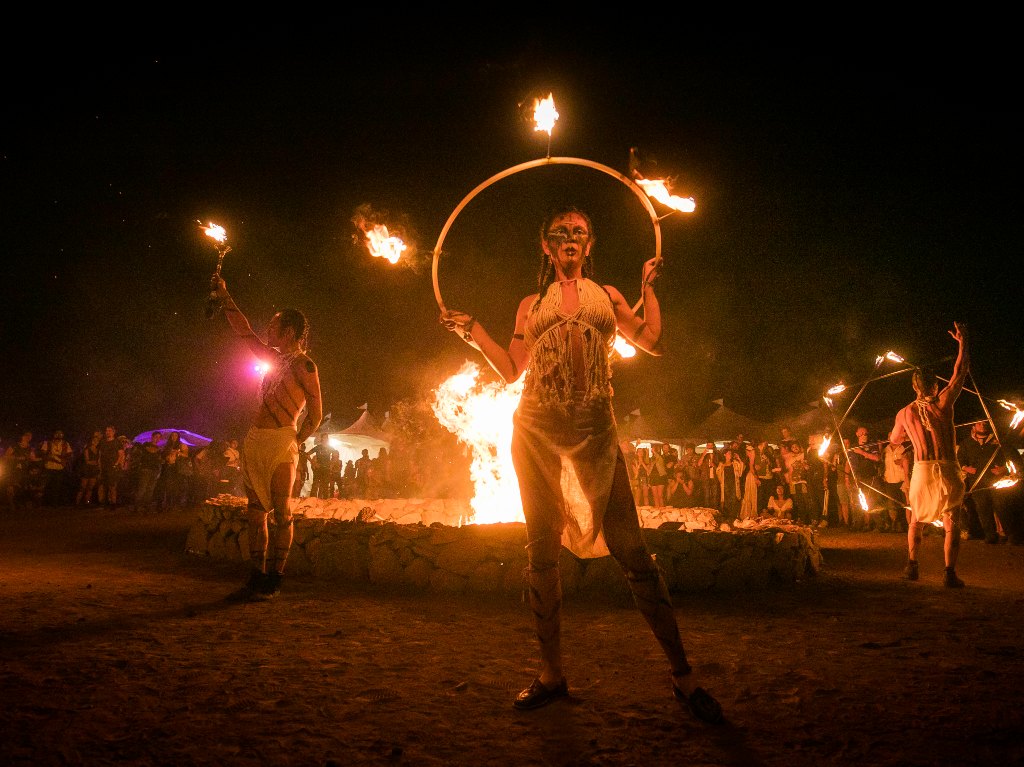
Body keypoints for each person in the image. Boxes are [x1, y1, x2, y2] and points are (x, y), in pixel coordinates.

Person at [439, 205, 722, 722]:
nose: (570, 238)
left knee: (633, 550)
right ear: (546, 247)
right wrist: (474, 329)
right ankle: (550, 674)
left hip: (595, 432)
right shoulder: (531, 304)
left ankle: (684, 675)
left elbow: (652, 343)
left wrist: (647, 288)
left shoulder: (609, 297)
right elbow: (509, 371)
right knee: (541, 555)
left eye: (579, 232)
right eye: (560, 233)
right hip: (536, 434)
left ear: (590, 245)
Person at [211, 272, 323, 601]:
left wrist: (295, 441)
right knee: (255, 511)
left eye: (274, 326)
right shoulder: (272, 359)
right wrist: (225, 295)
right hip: (256, 439)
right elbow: (243, 331)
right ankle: (256, 573)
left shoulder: (305, 366)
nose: (268, 330)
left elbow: (315, 414)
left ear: (289, 331)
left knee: (282, 511)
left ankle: (276, 576)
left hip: (281, 442)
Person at [889, 322, 969, 587]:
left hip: (922, 470)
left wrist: (908, 435)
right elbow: (960, 371)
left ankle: (912, 567)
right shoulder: (944, 402)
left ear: (914, 387)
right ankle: (949, 573)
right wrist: (963, 342)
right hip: (947, 468)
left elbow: (894, 440)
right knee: (951, 522)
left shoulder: (903, 413)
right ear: (935, 386)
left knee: (916, 521)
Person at [957, 420, 1013, 544]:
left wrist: (1004, 469)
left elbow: (1010, 457)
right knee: (983, 509)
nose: (982, 426)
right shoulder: (966, 444)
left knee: (1002, 508)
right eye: (979, 424)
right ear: (974, 426)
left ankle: (1010, 535)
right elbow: (960, 460)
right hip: (977, 482)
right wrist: (966, 468)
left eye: (984, 424)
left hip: (996, 481)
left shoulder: (997, 441)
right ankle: (990, 536)